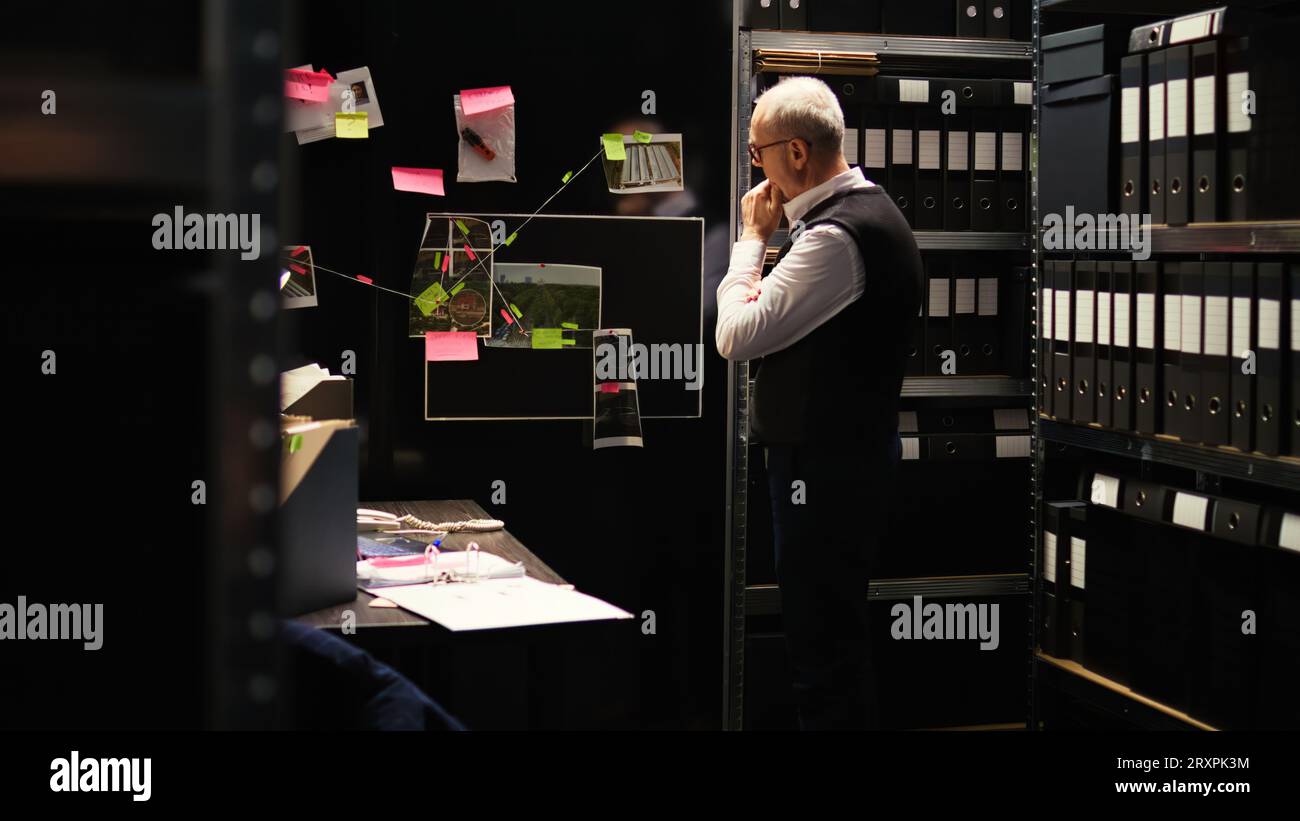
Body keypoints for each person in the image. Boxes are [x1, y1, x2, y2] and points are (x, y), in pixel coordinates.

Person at [715, 76, 923, 730]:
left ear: (796, 154)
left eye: (758, 152)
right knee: (830, 639)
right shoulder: (859, 216)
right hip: (840, 462)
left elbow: (734, 336)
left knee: (822, 650)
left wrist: (752, 240)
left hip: (825, 473)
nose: (759, 167)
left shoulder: (835, 239)